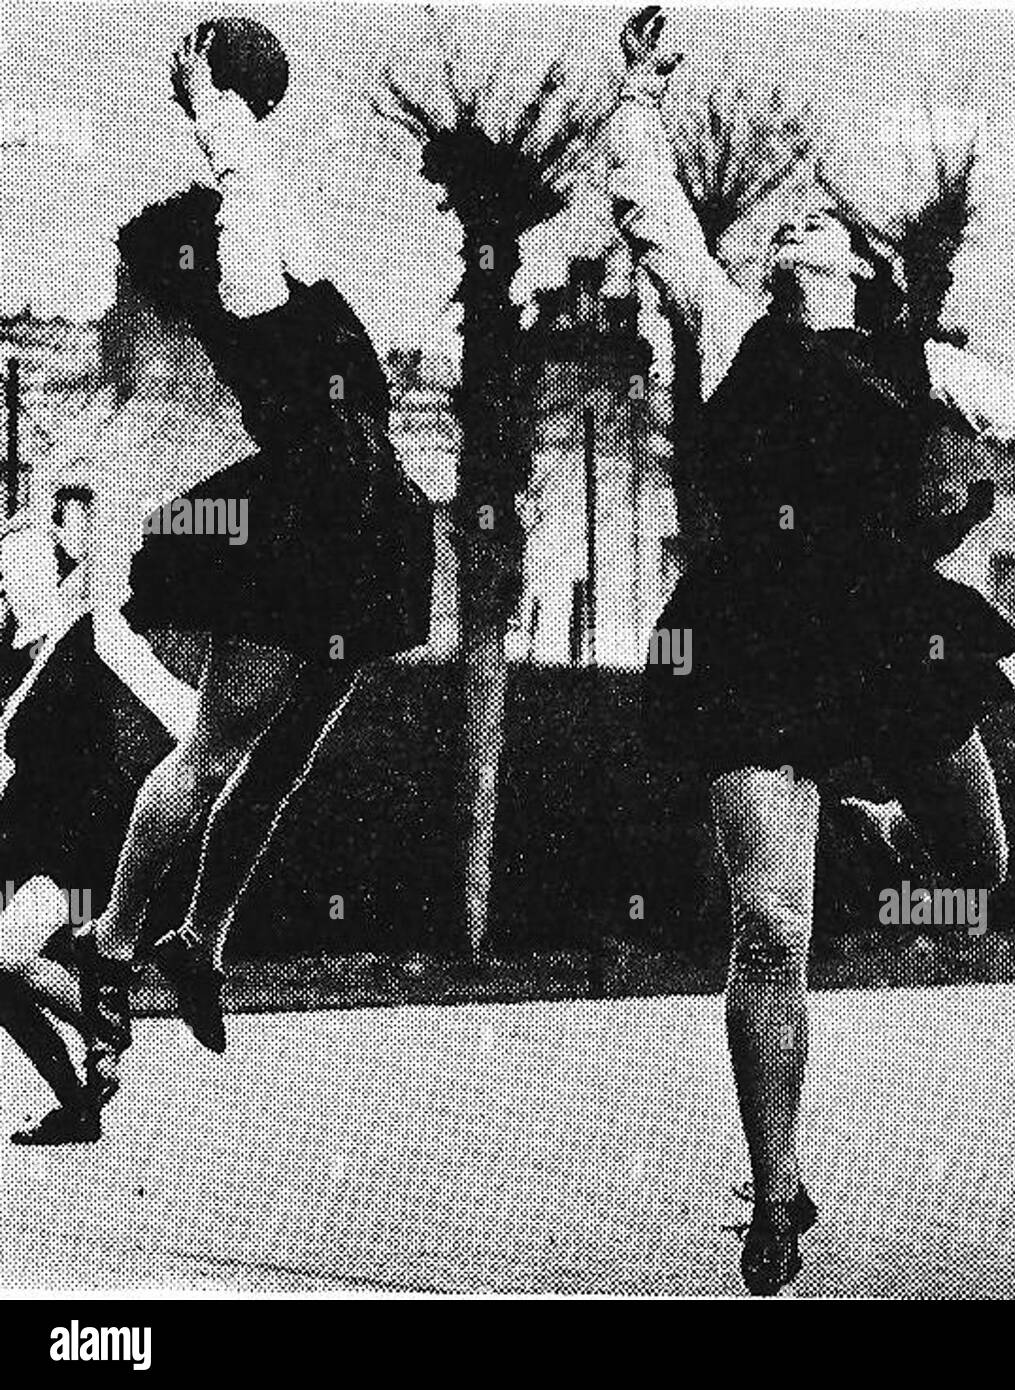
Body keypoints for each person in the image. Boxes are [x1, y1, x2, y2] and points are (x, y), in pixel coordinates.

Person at [607, 8, 1015, 1294]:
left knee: (979, 868)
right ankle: (774, 1191)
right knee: (767, 931)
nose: (794, 231)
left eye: (816, 226)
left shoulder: (918, 362)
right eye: (781, 227)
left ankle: (883, 826)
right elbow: (651, 214)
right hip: (746, 639)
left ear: (856, 264)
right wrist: (635, 96)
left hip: (886, 638)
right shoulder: (733, 328)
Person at [75, 28, 435, 1122]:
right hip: (315, 517)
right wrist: (210, 102)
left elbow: (259, 197)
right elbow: (246, 186)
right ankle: (113, 941)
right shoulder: (248, 285)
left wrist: (221, 113)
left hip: (364, 511)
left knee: (278, 761)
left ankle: (198, 939)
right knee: (220, 747)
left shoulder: (290, 279)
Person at [0, 511, 192, 1144]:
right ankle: (80, 1100)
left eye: (9, 579)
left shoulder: (88, 639)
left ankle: (101, 1027)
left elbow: (181, 717)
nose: (3, 594)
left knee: (3, 955)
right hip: (29, 839)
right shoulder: (26, 664)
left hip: (73, 845)